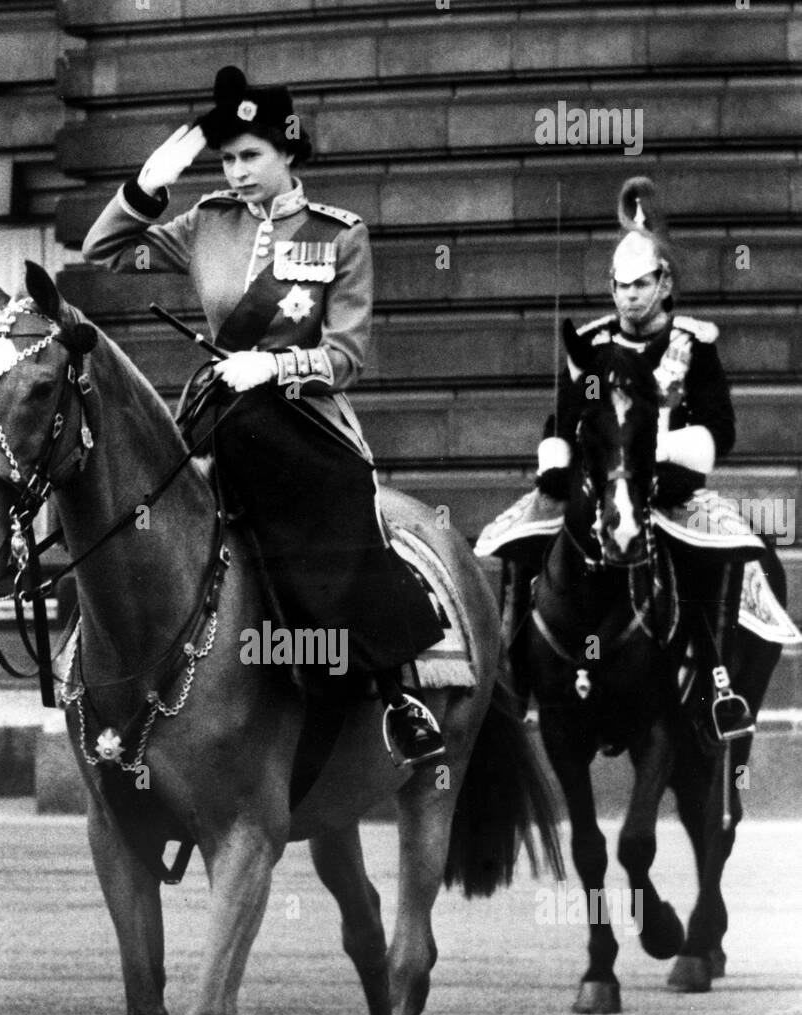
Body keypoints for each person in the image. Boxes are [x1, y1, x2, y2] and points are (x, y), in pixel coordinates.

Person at [81, 65, 446, 767]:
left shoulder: (338, 235)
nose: (238, 172)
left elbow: (345, 356)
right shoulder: (206, 221)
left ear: (288, 154)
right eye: (226, 158)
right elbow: (103, 252)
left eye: (251, 156)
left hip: (302, 421)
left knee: (344, 514)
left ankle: (394, 691)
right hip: (220, 409)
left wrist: (276, 367)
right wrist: (149, 183)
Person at [476, 176, 760, 745]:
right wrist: (559, 459)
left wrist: (670, 453)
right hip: (598, 478)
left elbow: (719, 427)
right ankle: (512, 669)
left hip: (669, 480)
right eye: (619, 285)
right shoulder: (593, 345)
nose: (628, 296)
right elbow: (564, 416)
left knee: (716, 552)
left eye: (640, 284)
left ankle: (715, 679)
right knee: (520, 538)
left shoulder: (692, 344)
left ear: (664, 282)